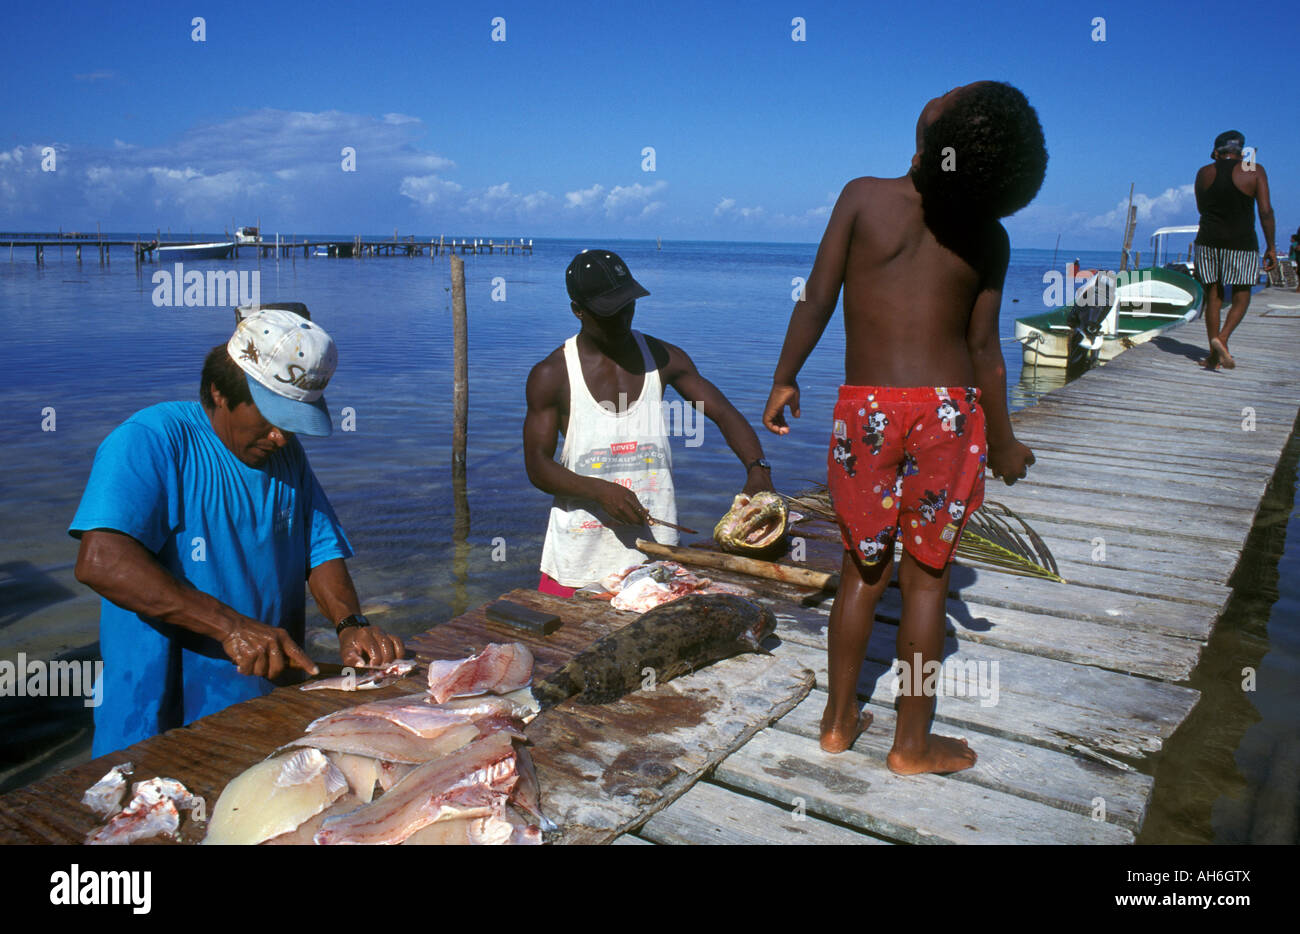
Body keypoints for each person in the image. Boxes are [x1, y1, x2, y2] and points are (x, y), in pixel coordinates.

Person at [762, 81, 1046, 775]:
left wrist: (784, 376)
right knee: (927, 583)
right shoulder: (988, 236)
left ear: (933, 136)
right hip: (949, 413)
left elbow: (817, 297)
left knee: (861, 571)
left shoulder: (862, 196)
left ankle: (835, 723)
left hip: (867, 411)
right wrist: (1003, 439)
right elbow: (986, 353)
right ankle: (911, 743)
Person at [70, 306, 403, 755]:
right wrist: (230, 627)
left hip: (261, 706)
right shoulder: (151, 439)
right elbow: (101, 560)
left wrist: (350, 624)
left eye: (292, 422)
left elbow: (319, 548)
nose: (281, 437)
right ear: (220, 392)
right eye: (269, 418)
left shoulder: (285, 455)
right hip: (152, 716)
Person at [524, 249, 774, 595]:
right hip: (578, 563)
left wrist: (757, 468)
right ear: (577, 311)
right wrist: (599, 490)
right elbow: (537, 466)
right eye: (608, 312)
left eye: (628, 305)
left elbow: (723, 412)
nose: (622, 319)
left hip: (657, 559)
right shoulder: (552, 375)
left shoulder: (662, 357)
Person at [1193, 130, 1276, 369]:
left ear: (1216, 152)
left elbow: (1202, 208)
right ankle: (1223, 339)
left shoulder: (1204, 172)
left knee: (1213, 295)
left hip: (1208, 240)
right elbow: (1265, 211)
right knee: (1241, 293)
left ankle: (1212, 354)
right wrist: (1271, 246)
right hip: (1241, 242)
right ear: (1240, 153)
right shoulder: (1254, 170)